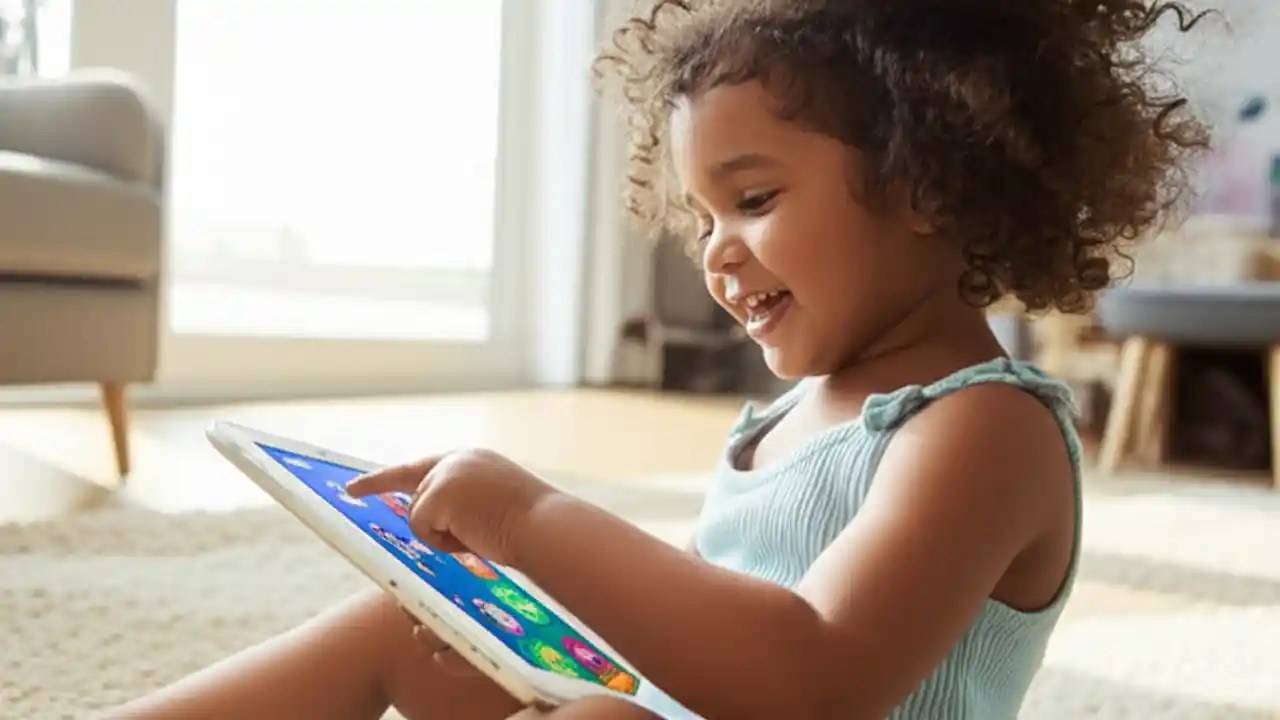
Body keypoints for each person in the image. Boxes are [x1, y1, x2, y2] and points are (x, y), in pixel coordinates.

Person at [105, 1, 1210, 717]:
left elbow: (808, 676)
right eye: (699, 217)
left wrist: (534, 520)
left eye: (755, 199)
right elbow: (705, 633)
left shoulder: (983, 429)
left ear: (927, 180)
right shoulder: (780, 421)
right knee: (421, 627)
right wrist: (517, 603)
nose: (717, 254)